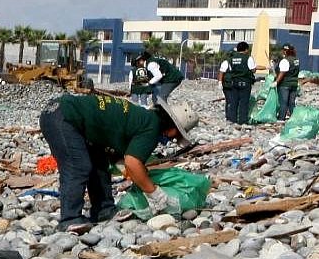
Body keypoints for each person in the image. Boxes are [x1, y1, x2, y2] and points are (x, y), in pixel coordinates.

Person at [39, 94, 200, 233]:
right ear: (172, 127)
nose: (172, 139)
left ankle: (104, 210)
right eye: (176, 135)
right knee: (78, 166)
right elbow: (133, 163)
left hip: (61, 113)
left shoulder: (143, 118)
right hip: (64, 117)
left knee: (99, 164)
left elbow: (116, 150)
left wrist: (122, 163)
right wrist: (155, 193)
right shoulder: (152, 127)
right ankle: (70, 218)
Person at [218, 41, 257, 125]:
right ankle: (243, 121)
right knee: (244, 102)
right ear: (246, 49)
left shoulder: (231, 59)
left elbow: (227, 69)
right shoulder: (248, 58)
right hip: (245, 83)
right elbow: (253, 70)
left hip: (234, 83)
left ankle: (232, 120)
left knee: (233, 102)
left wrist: (220, 82)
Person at [275, 43, 300, 120]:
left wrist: (276, 82)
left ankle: (281, 118)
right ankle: (294, 118)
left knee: (283, 102)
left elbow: (282, 72)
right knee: (292, 103)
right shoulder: (296, 60)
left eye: (283, 50)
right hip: (294, 84)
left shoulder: (285, 61)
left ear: (285, 51)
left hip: (285, 84)